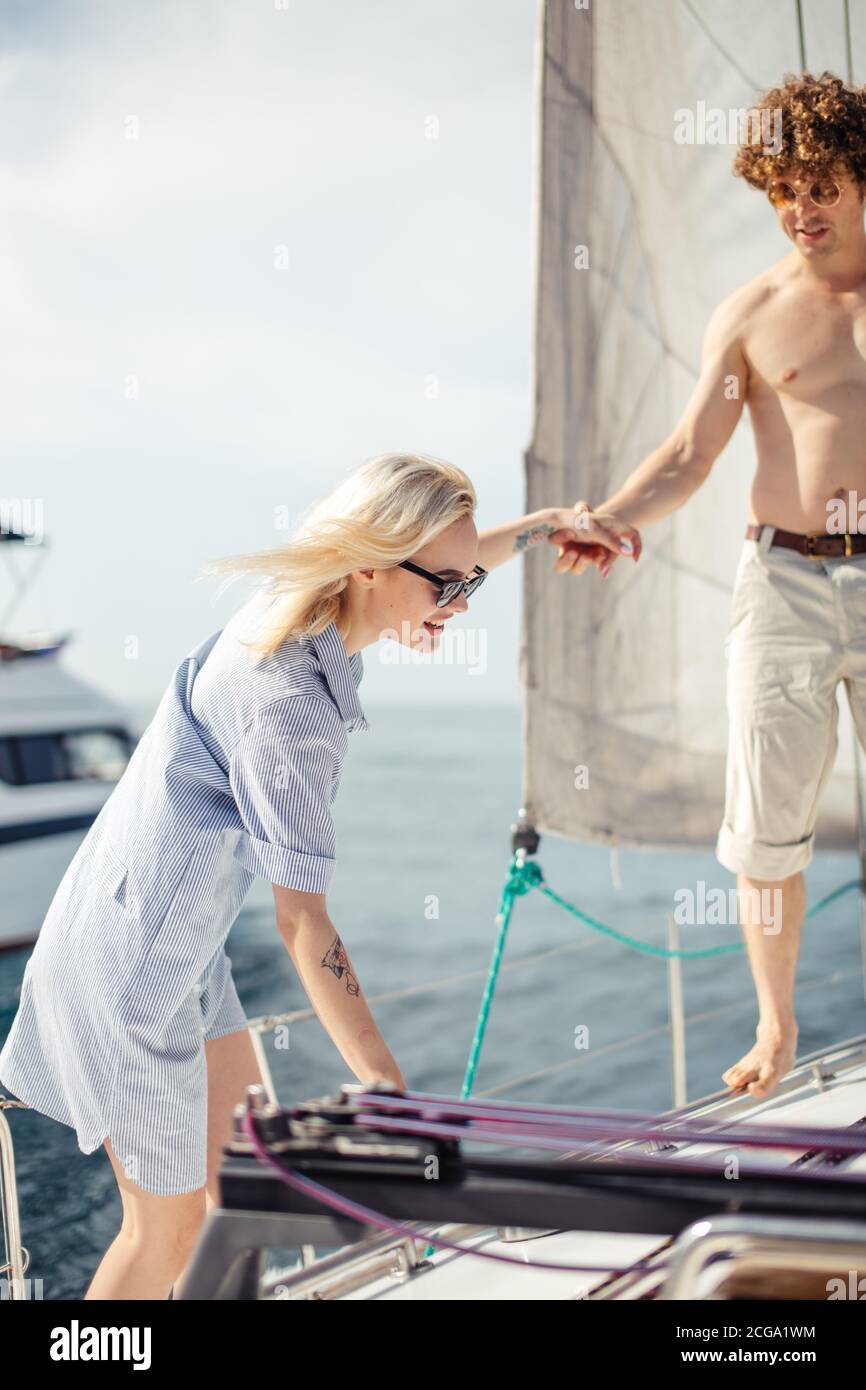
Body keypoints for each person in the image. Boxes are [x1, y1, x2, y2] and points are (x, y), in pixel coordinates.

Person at [0, 450, 638, 1300]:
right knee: (168, 1227)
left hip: (179, 950)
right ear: (373, 564)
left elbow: (454, 553)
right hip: (133, 967)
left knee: (239, 1194)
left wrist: (548, 526)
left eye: (465, 585)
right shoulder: (291, 705)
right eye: (446, 586)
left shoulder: (305, 605)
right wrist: (387, 1088)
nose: (457, 602)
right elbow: (304, 926)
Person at [549, 71, 866, 1103]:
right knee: (765, 831)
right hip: (780, 582)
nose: (797, 209)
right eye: (779, 190)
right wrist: (608, 517)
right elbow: (688, 454)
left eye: (816, 184)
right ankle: (775, 1025)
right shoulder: (750, 314)